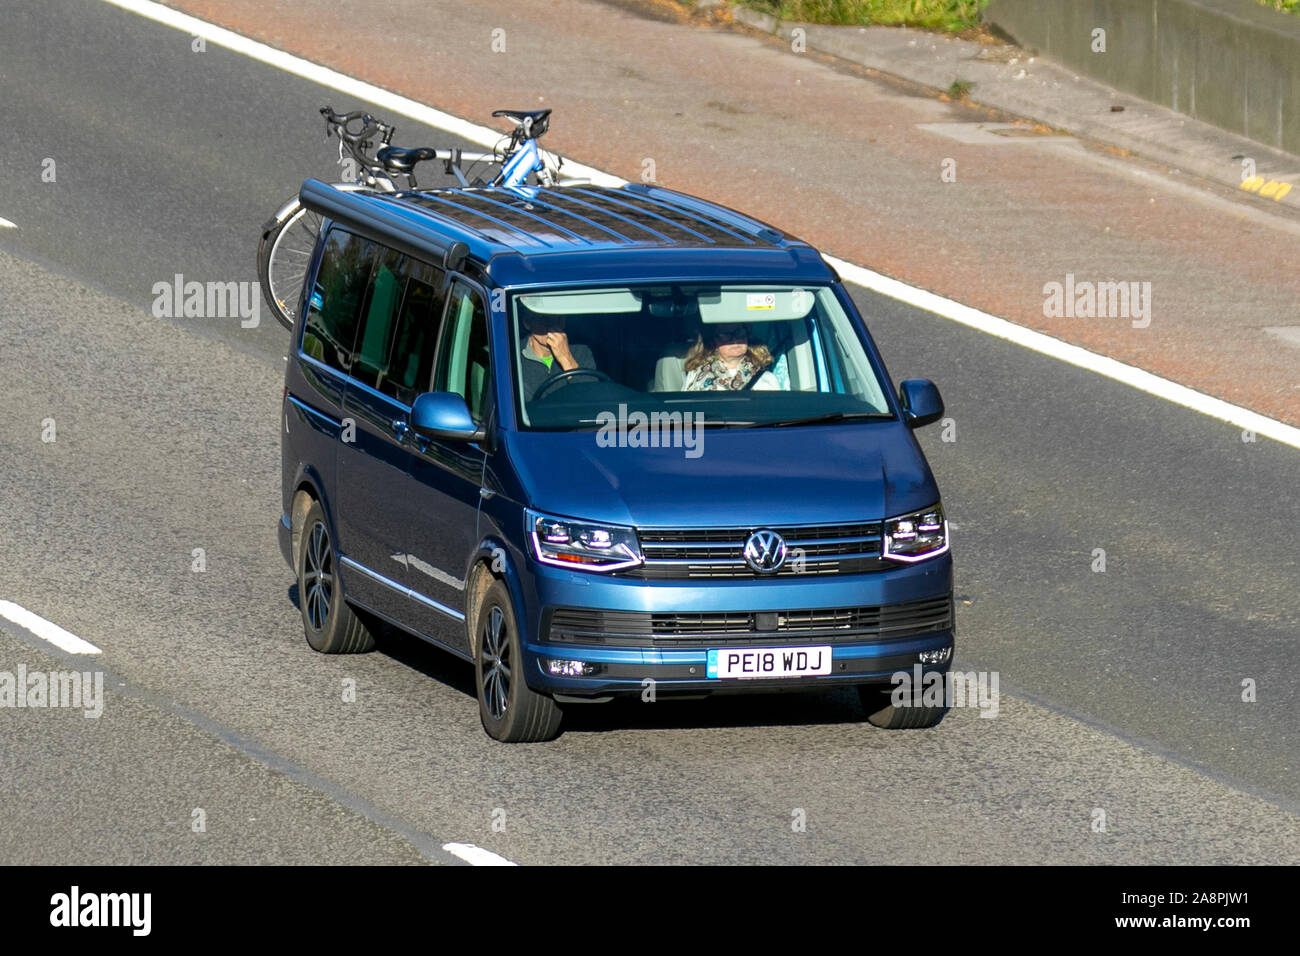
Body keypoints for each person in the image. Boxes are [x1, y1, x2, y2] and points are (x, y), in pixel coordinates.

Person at [682, 323, 779, 391]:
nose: (735, 339)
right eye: (726, 334)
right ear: (713, 340)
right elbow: (686, 411)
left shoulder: (766, 378)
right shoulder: (695, 375)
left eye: (739, 332)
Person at [519, 312, 596, 398]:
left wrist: (566, 358)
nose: (551, 326)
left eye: (557, 319)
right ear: (527, 323)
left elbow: (591, 398)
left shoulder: (581, 352)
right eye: (543, 319)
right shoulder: (513, 357)